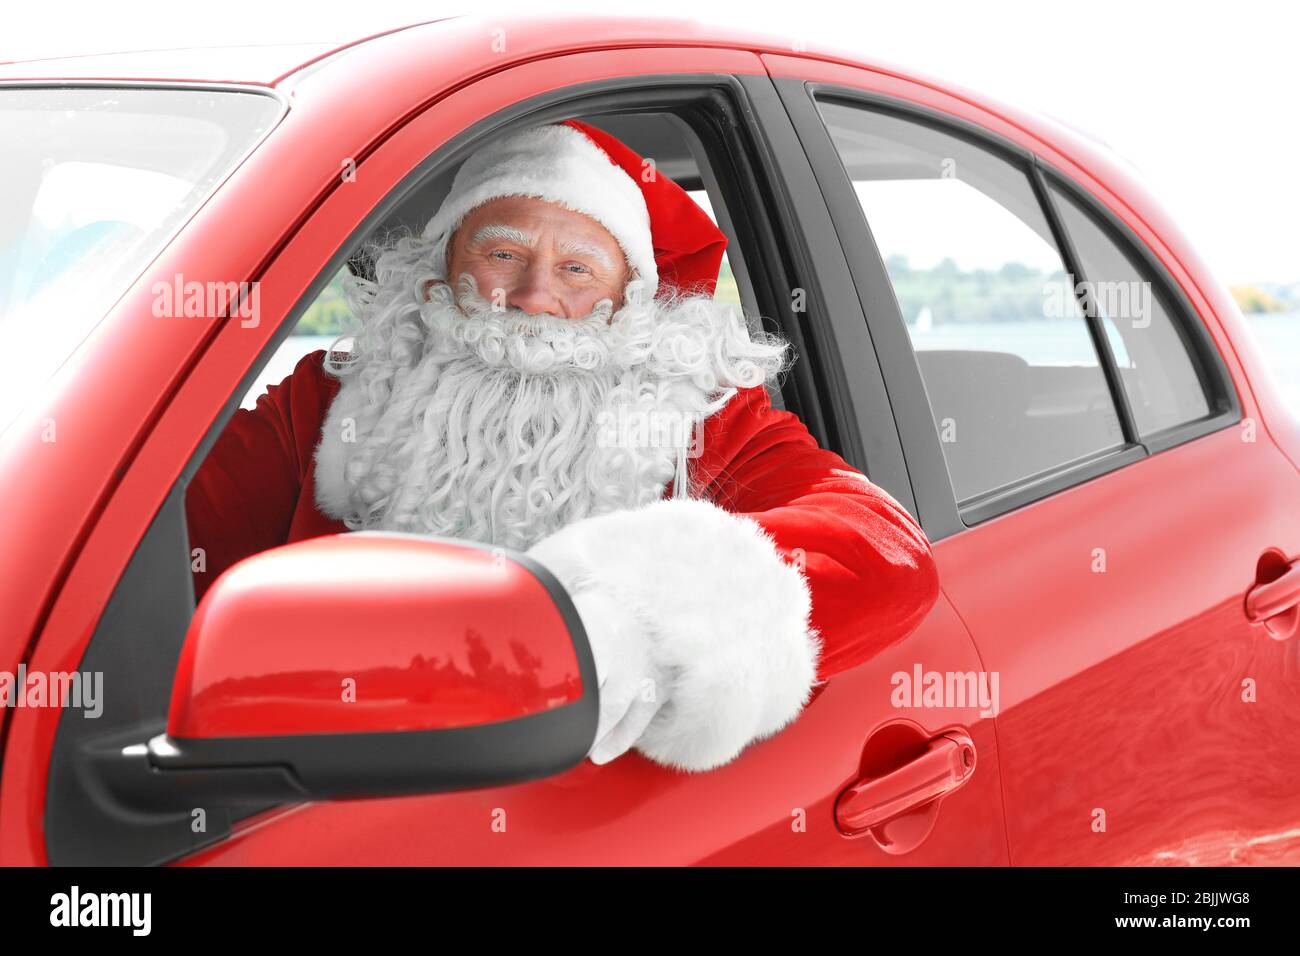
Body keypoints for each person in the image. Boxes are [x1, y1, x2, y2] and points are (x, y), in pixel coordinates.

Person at [186, 118, 940, 773]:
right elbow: (151, 533)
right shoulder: (332, 399)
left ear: (628, 299)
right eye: (503, 255)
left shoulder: (694, 420)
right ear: (442, 270)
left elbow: (883, 551)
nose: (536, 295)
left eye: (577, 268)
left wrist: (636, 619)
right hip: (337, 797)